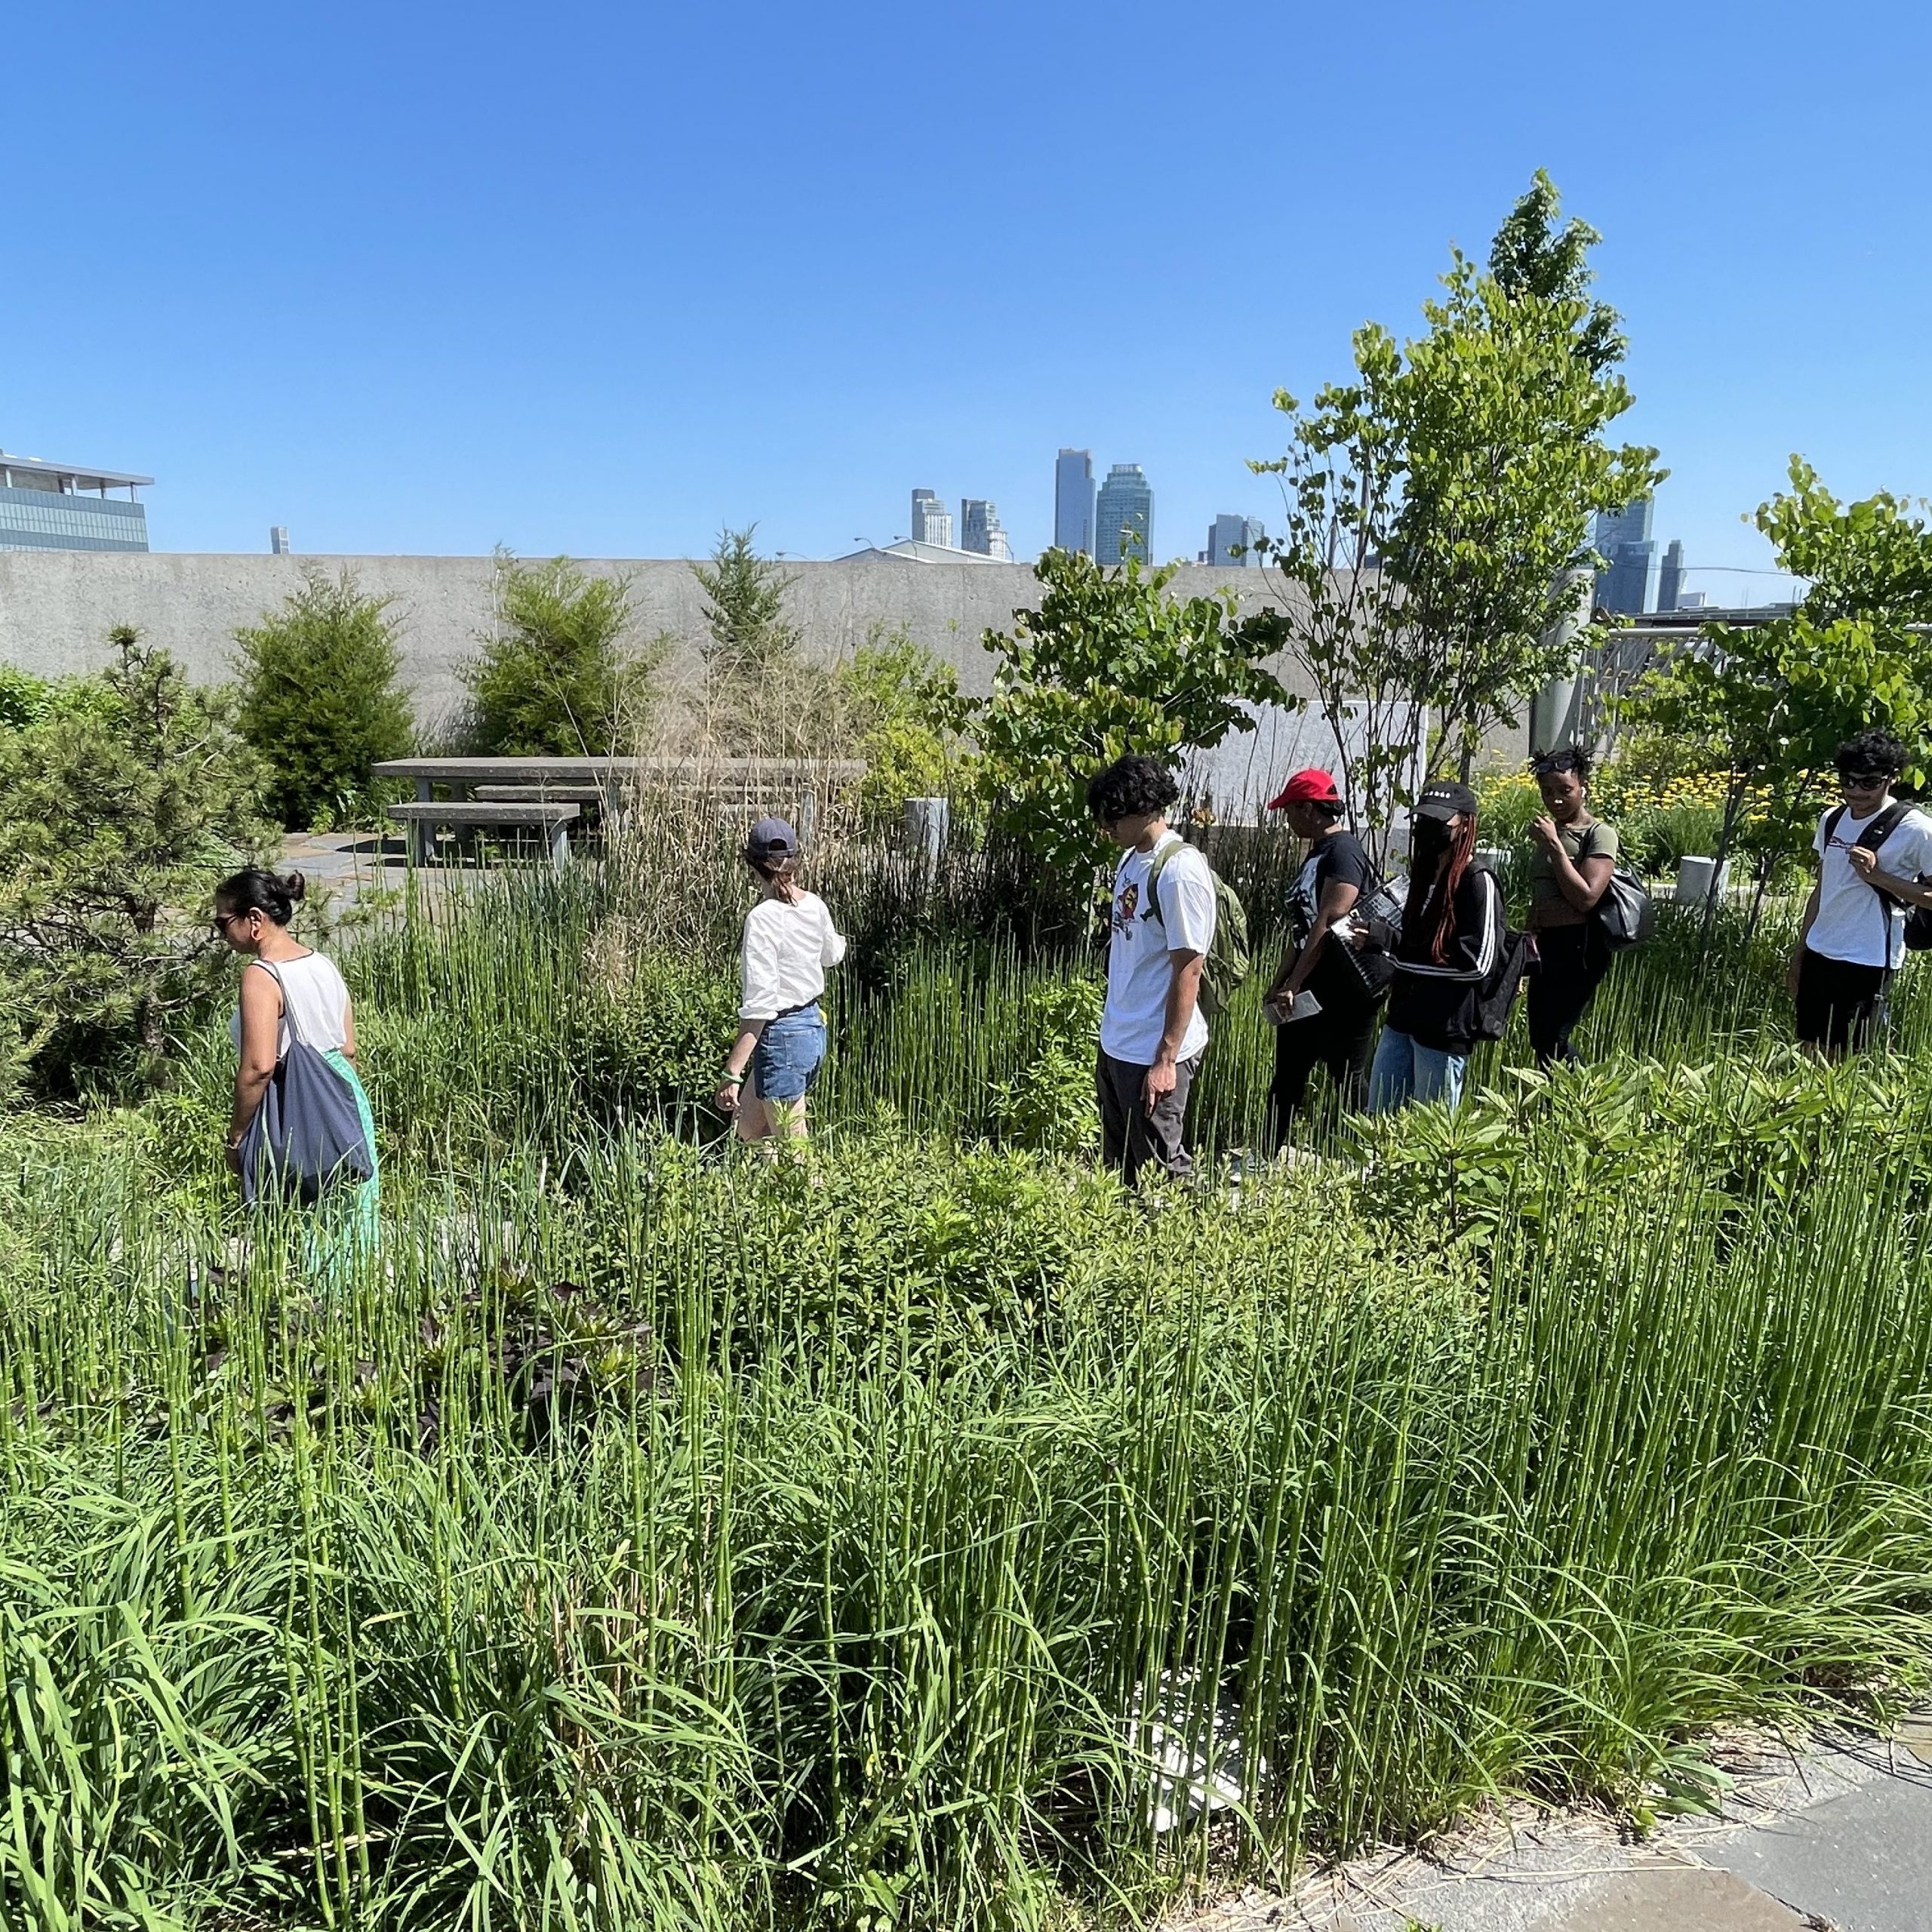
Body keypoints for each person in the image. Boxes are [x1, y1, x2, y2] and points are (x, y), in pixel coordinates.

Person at [216, 867, 379, 1247]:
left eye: (222, 922)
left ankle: (307, 1302)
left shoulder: (262, 975)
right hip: (346, 1097)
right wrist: (340, 1109)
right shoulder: (322, 964)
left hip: (295, 1107)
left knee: (297, 1218)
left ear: (254, 920)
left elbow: (259, 1067)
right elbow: (348, 1049)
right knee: (352, 1216)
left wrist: (237, 1137)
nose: (220, 933)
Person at [1088, 754, 1217, 1184]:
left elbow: (1189, 969)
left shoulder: (1178, 870)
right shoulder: (1130, 860)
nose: (1105, 829)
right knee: (1121, 1168)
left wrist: (1166, 1059)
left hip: (1154, 1053)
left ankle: (1181, 1248)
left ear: (1142, 807)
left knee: (1162, 1171)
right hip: (1119, 1042)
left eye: (1112, 818)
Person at [1789, 731, 1932, 1058]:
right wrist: (1800, 951)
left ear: (1892, 779)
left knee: (1848, 1056)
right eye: (1848, 781)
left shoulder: (1917, 828)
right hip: (1820, 951)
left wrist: (1877, 876)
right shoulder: (1832, 819)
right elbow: (1823, 889)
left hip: (1869, 958)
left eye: (1869, 783)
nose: (1856, 791)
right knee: (1811, 1049)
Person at [1261, 768, 1385, 1145]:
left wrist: (1295, 982)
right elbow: (1301, 930)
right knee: (1288, 1074)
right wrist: (1281, 982)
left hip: (1344, 986)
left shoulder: (1344, 851)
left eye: (1290, 810)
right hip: (1310, 986)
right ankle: (1269, 1152)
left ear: (1309, 809)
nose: (1287, 818)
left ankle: (1366, 1155)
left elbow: (1331, 918)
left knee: (1346, 1077)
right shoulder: (1318, 853)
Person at [1367, 780, 1505, 1113]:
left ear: (1465, 825)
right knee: (1380, 1118)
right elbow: (1414, 943)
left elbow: (1478, 963)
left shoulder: (1476, 880)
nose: (1427, 831)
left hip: (1444, 1027)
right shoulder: (1424, 877)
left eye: (1438, 823)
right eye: (1421, 822)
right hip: (1402, 1018)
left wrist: (1396, 954)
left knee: (1430, 1129)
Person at [713, 817, 846, 1142]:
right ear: (797, 861)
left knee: (795, 1150)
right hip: (811, 1031)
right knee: (749, 1129)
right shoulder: (815, 905)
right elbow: (833, 955)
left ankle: (810, 1192)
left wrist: (731, 1073)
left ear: (753, 866)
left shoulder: (761, 919)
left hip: (781, 1038)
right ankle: (768, 1189)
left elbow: (759, 1007)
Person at [1523, 746, 1618, 1068]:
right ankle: (1553, 1106)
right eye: (1547, 792)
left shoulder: (1599, 834)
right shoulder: (1554, 830)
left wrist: (1554, 847)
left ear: (1583, 789)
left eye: (1565, 791)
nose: (1556, 800)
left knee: (1554, 1034)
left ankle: (1581, 1092)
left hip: (1579, 946)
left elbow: (1587, 897)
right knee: (1539, 1035)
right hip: (1546, 944)